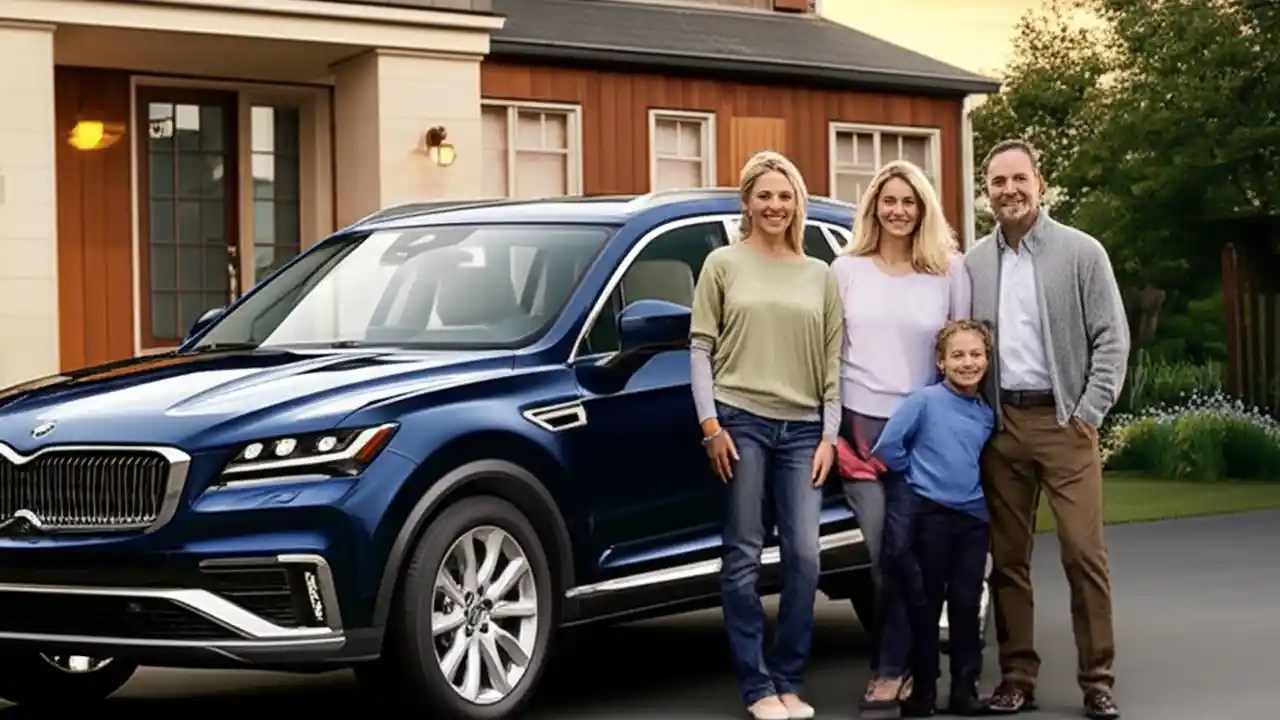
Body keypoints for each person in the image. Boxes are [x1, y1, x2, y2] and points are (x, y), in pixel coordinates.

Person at [964, 139, 1130, 720]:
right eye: (997, 182)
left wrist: (1089, 412)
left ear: (1039, 182)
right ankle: (1017, 678)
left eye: (1019, 179)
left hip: (1066, 423)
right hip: (1002, 426)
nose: (1009, 190)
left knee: (1084, 555)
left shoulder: (1081, 253)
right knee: (1008, 560)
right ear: (987, 191)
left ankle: (1098, 681)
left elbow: (1112, 338)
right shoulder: (974, 263)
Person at [689, 150, 844, 720]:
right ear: (748, 202)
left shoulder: (820, 274)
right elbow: (700, 348)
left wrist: (830, 436)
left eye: (785, 196)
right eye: (765, 196)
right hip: (740, 421)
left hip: (804, 431)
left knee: (805, 555)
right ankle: (756, 688)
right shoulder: (723, 264)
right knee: (744, 555)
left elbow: (832, 361)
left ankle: (788, 680)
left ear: (796, 203)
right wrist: (710, 425)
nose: (775, 205)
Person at [827, 160, 969, 711]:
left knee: (906, 551)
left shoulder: (949, 271)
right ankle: (905, 662)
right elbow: (828, 357)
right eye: (889, 200)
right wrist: (834, 435)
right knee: (882, 555)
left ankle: (893, 669)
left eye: (909, 201)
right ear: (874, 207)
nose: (899, 211)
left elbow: (961, 358)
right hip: (860, 431)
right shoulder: (845, 270)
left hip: (920, 433)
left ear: (923, 208)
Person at [865, 319, 996, 718]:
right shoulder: (925, 401)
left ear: (987, 360)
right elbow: (887, 446)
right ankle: (923, 689)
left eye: (976, 355)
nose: (968, 363)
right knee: (925, 603)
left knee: (966, 603)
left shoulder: (985, 413)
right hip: (931, 515)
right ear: (941, 362)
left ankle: (964, 689)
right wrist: (918, 475)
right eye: (958, 355)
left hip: (972, 519)